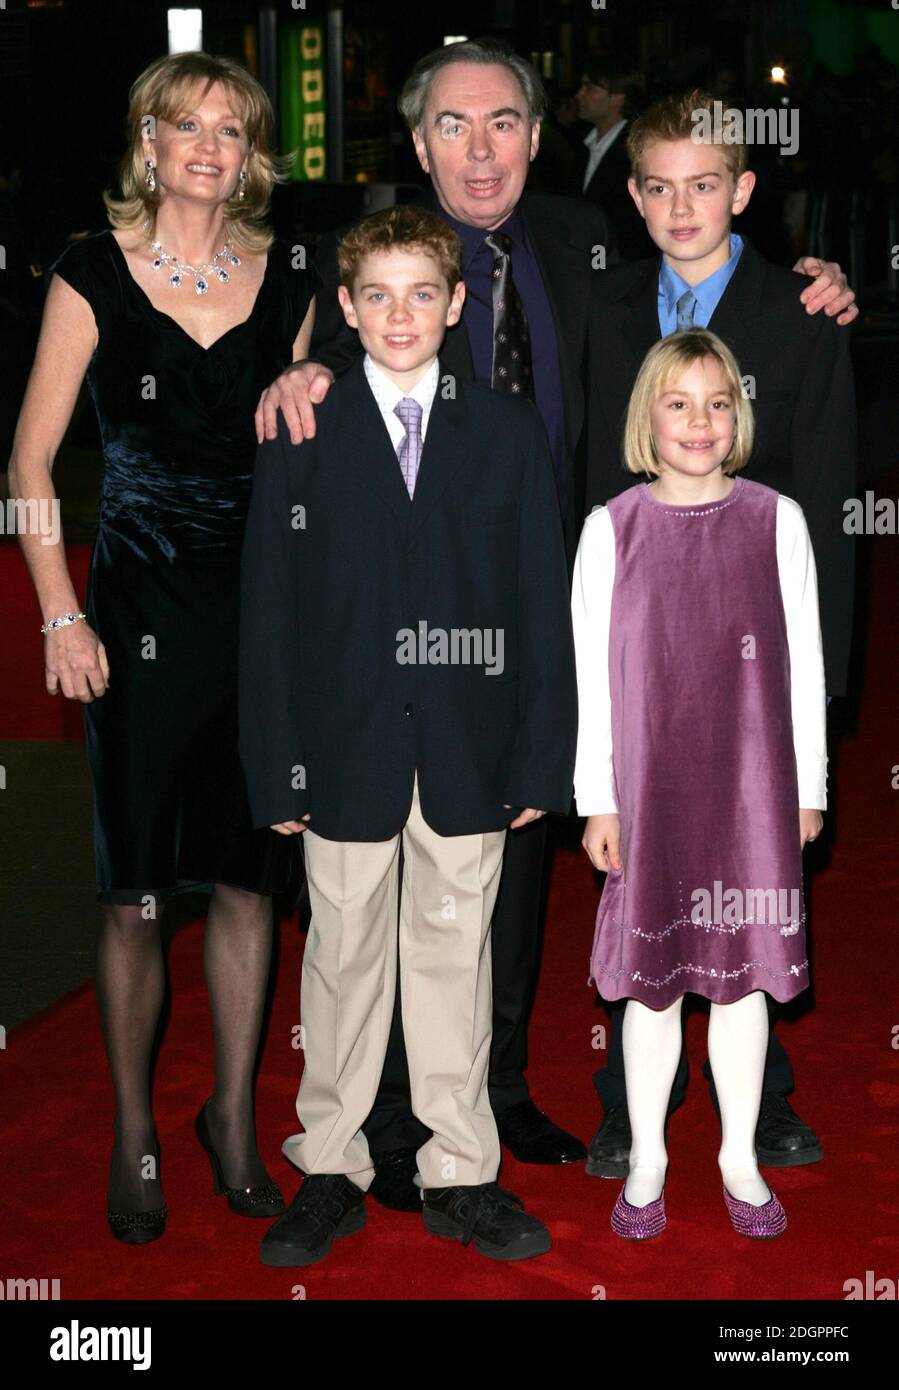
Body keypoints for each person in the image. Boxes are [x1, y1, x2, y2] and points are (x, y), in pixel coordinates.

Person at [252, 41, 858, 1205]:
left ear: (536, 138)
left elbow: (814, 504)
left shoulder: (587, 252)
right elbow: (364, 328)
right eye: (452, 126)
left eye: (501, 125)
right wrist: (302, 375)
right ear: (418, 143)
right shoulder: (396, 268)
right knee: (448, 852)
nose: (479, 150)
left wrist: (810, 277)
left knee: (529, 851)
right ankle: (389, 1114)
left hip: (613, 607)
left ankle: (554, 1089)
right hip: (514, 593)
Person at [7, 51, 319, 1243]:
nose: (206, 145)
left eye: (230, 130)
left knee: (247, 881)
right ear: (147, 140)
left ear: (251, 156)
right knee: (134, 890)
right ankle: (135, 1127)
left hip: (259, 620)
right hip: (131, 622)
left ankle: (230, 1121)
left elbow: (306, 428)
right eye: (184, 124)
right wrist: (58, 612)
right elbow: (29, 466)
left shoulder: (291, 269)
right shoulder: (89, 272)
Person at [238, 205, 578, 1266]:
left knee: (451, 963)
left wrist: (539, 753)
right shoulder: (304, 431)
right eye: (375, 295)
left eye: (422, 293)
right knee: (339, 962)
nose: (399, 313)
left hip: (470, 749)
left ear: (457, 304)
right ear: (343, 308)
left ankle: (458, 1171)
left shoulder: (508, 432)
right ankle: (329, 1165)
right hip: (340, 748)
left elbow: (540, 604)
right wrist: (274, 761)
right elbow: (269, 612)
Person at [582, 89, 856, 1182]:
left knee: (750, 871)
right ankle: (627, 1105)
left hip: (754, 661)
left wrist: (815, 704)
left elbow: (830, 501)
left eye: (706, 184)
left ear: (742, 191)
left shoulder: (801, 309)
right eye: (659, 186)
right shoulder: (605, 310)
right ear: (636, 197)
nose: (682, 205)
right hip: (641, 646)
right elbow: (587, 481)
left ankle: (764, 1099)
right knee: (637, 875)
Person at [572, 328, 827, 1238]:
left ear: (739, 415)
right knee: (652, 984)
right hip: (650, 792)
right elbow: (591, 681)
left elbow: (802, 665)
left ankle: (737, 1155)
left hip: (753, 789)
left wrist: (810, 787)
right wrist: (596, 797)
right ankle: (647, 1156)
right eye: (677, 402)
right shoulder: (610, 529)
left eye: (717, 402)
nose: (698, 421)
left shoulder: (777, 520)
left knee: (741, 983)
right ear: (647, 414)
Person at [573, 61, 655, 260]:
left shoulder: (637, 152)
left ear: (618, 97)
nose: (579, 95)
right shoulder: (582, 144)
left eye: (590, 88)